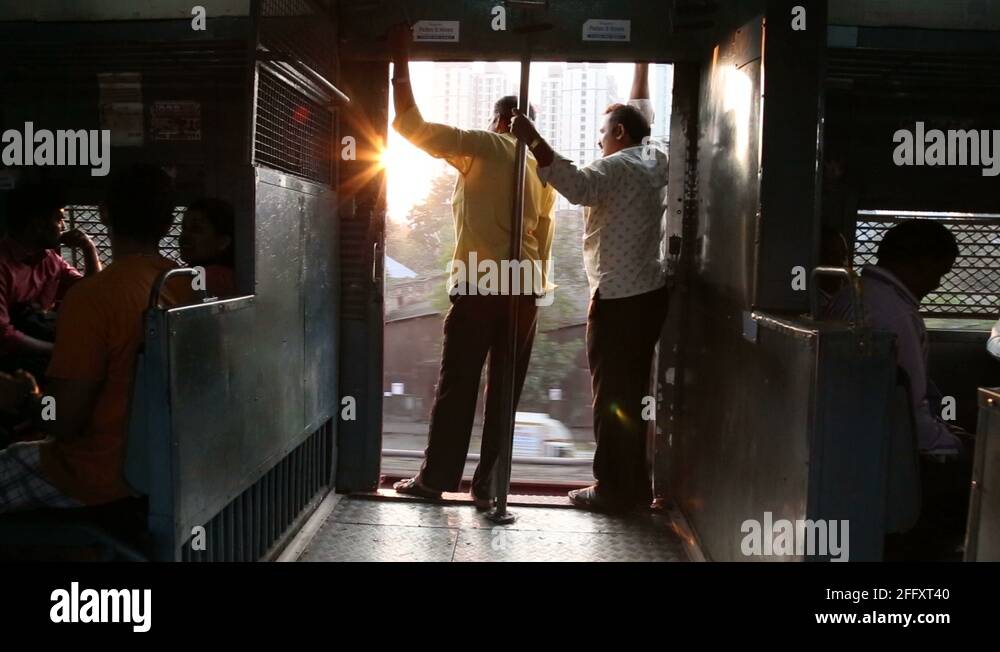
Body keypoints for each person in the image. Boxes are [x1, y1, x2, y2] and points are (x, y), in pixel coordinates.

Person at [386, 23, 556, 509]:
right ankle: (491, 487)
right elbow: (542, 239)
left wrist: (401, 60)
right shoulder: (541, 171)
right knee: (504, 392)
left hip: (482, 285)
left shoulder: (487, 145)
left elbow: (412, 125)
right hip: (524, 289)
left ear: (502, 121)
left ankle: (435, 479)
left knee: (458, 383)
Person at [509, 63, 669, 512]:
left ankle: (612, 490)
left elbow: (576, 186)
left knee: (610, 396)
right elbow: (641, 112)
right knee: (633, 394)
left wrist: (533, 138)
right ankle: (635, 488)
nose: (599, 140)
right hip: (650, 295)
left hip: (617, 300)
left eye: (603, 132)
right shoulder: (654, 157)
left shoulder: (616, 166)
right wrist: (641, 65)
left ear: (618, 132)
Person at [0, 165, 192, 513]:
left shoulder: (92, 299)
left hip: (99, 475)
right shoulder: (184, 285)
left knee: (13, 457)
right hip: (169, 466)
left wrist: (27, 399)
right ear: (168, 224)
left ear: (104, 213)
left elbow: (62, 421)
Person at [825, 220, 964, 452]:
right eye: (938, 273)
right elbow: (912, 414)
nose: (937, 284)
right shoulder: (895, 315)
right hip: (876, 444)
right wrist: (955, 443)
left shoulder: (852, 295)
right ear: (923, 263)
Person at [0, 183, 102, 380]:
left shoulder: (49, 259)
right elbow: (3, 336)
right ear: (37, 224)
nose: (63, 226)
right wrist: (57, 351)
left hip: (39, 351)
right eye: (59, 218)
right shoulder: (4, 264)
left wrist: (89, 249)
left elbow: (92, 292)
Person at [180, 197, 236, 298]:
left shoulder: (205, 277)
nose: (185, 235)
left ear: (222, 242)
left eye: (196, 229)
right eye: (184, 228)